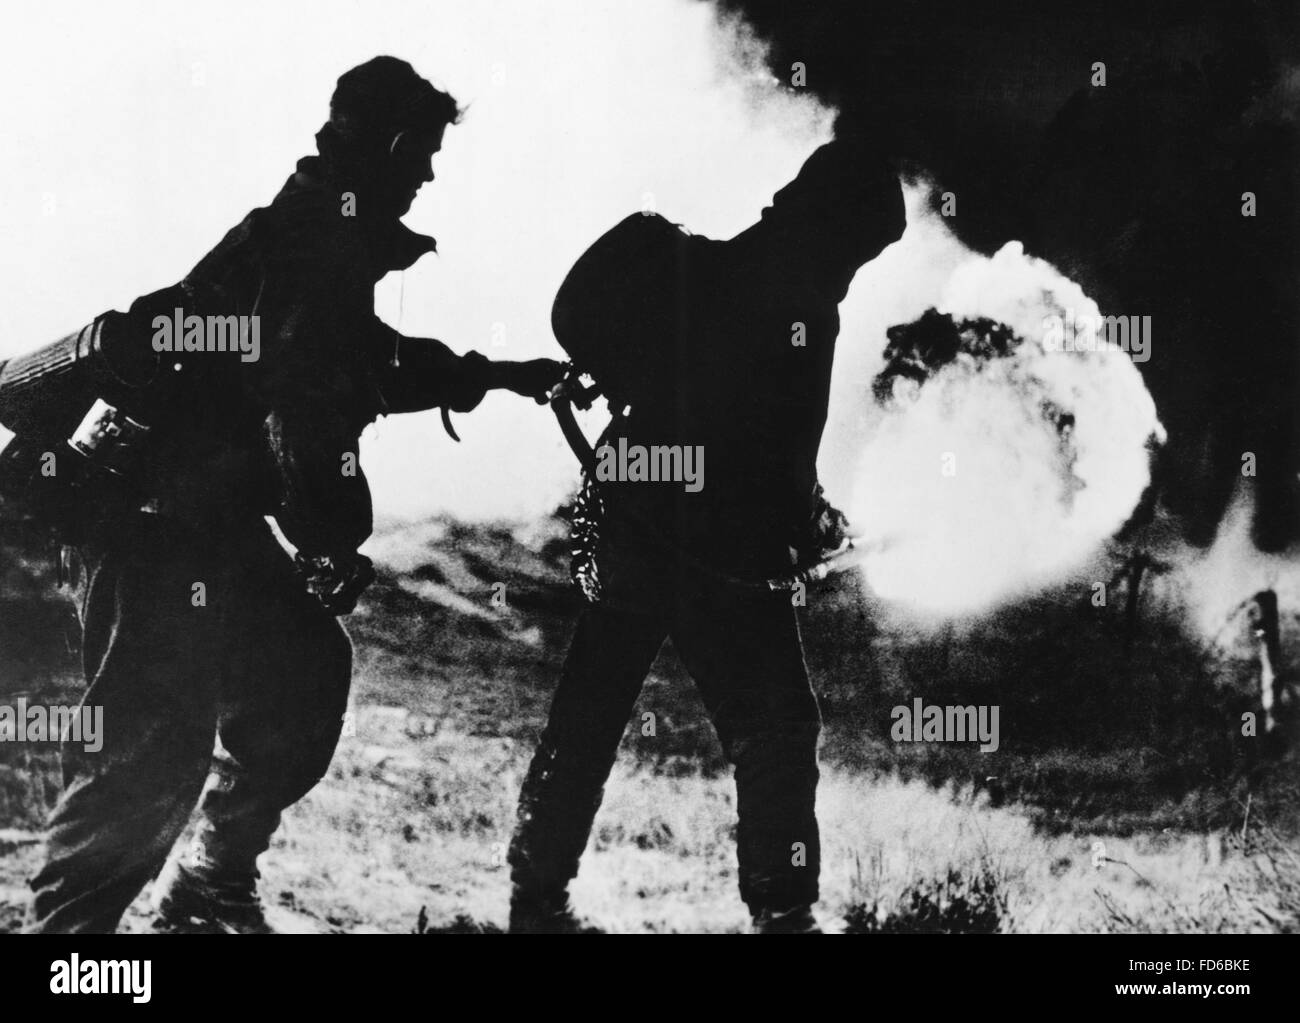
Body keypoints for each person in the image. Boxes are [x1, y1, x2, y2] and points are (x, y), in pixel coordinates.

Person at [23, 56, 562, 933]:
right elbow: (301, 413)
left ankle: (210, 882)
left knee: (304, 679)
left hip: (206, 522)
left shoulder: (314, 236)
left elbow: (362, 361)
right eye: (422, 154)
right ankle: (66, 956)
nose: (427, 176)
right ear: (390, 144)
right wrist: (328, 541)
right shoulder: (313, 241)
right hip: (156, 529)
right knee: (150, 757)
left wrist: (491, 374)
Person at [507, 132, 905, 933]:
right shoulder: (805, 310)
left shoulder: (702, 267)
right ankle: (784, 913)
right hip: (719, 553)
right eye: (863, 250)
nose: (857, 269)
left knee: (589, 712)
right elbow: (782, 461)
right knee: (779, 729)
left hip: (631, 519)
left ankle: (535, 899)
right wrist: (817, 524)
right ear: (841, 230)